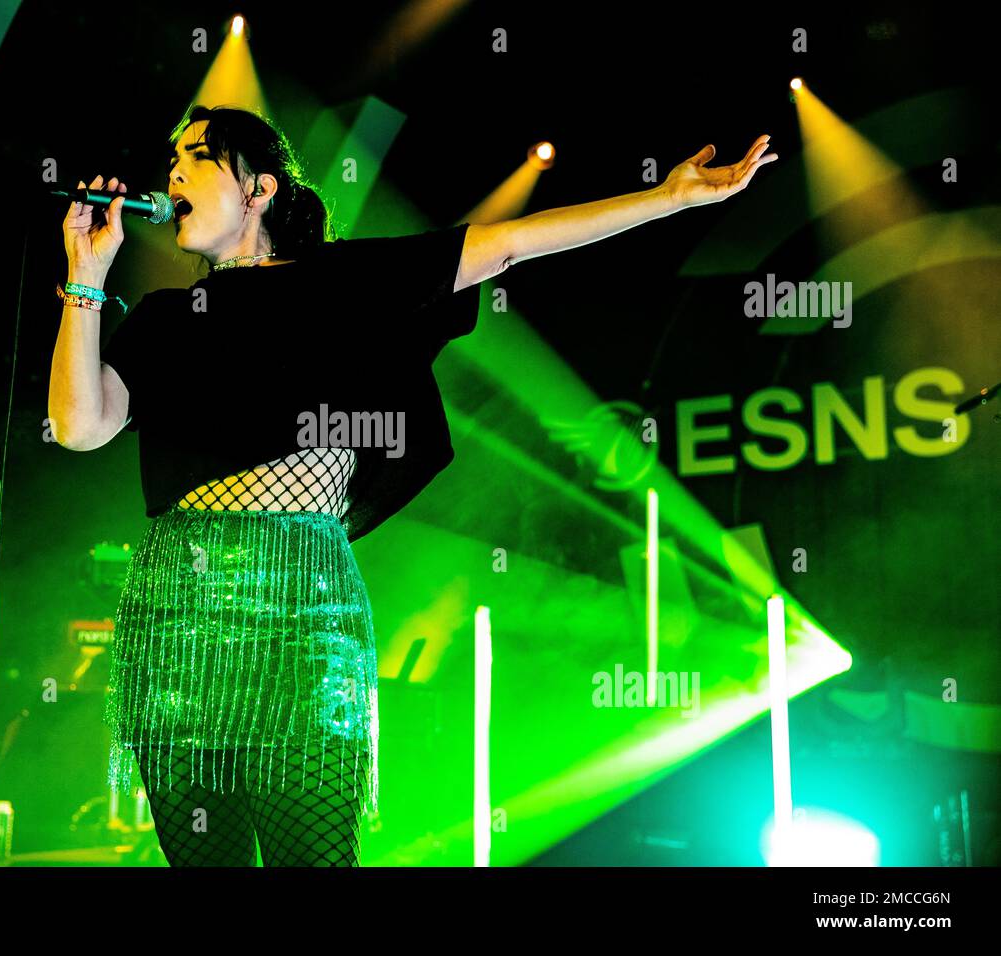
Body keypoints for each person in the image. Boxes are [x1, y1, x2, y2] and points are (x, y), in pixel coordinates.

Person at [49, 104, 776, 866]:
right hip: (182, 620)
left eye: (195, 158)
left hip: (304, 613)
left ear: (259, 189)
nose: (172, 176)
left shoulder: (344, 277)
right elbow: (78, 424)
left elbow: (509, 245)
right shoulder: (166, 319)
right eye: (171, 164)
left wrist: (668, 198)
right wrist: (86, 277)